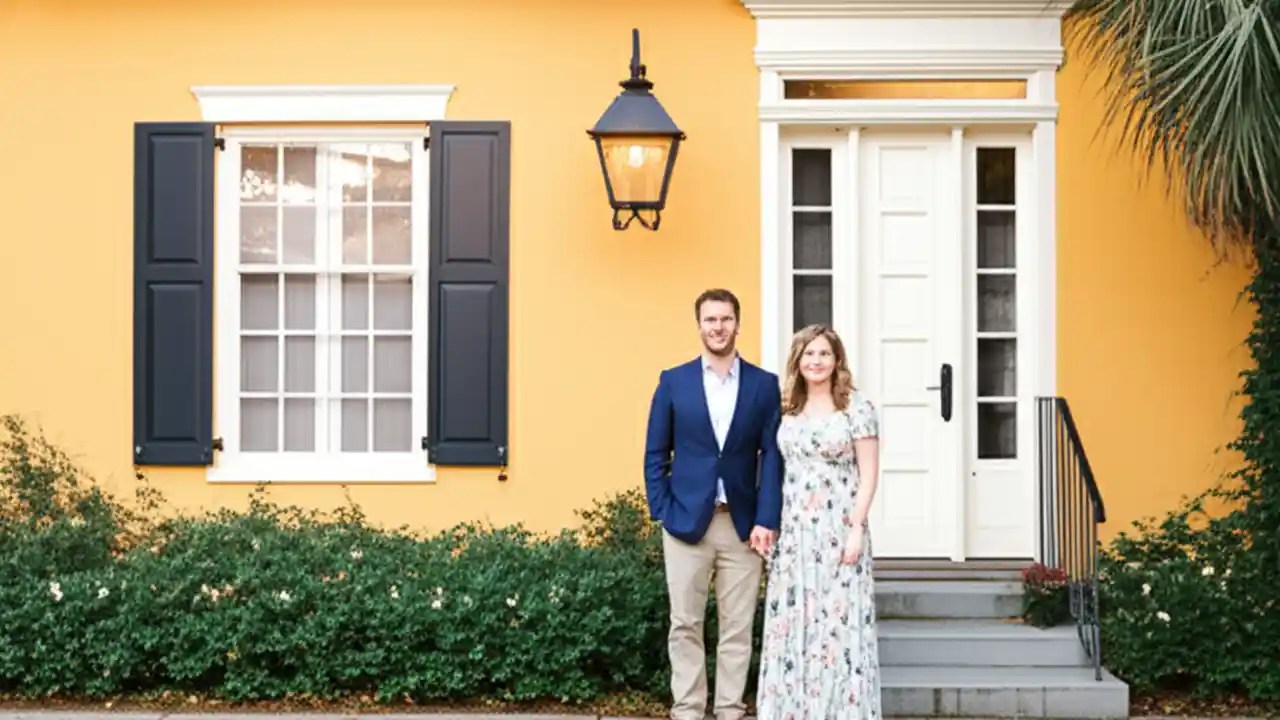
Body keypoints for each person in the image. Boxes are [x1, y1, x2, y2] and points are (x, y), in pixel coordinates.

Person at [643, 288, 784, 720]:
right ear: (699, 325)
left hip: (742, 526)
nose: (718, 327)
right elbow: (655, 453)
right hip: (686, 522)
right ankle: (688, 708)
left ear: (737, 323)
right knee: (684, 623)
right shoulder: (674, 381)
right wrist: (662, 510)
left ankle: (728, 709)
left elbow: (772, 456)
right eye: (710, 320)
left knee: (737, 626)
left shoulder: (764, 385)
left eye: (725, 319)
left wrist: (766, 518)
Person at [755, 323, 882, 720]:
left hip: (840, 531)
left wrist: (856, 528)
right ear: (797, 360)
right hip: (795, 533)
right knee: (796, 621)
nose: (816, 361)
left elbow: (869, 474)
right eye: (809, 353)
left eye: (824, 353)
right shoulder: (785, 407)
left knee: (838, 626)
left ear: (837, 359)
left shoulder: (856, 408)